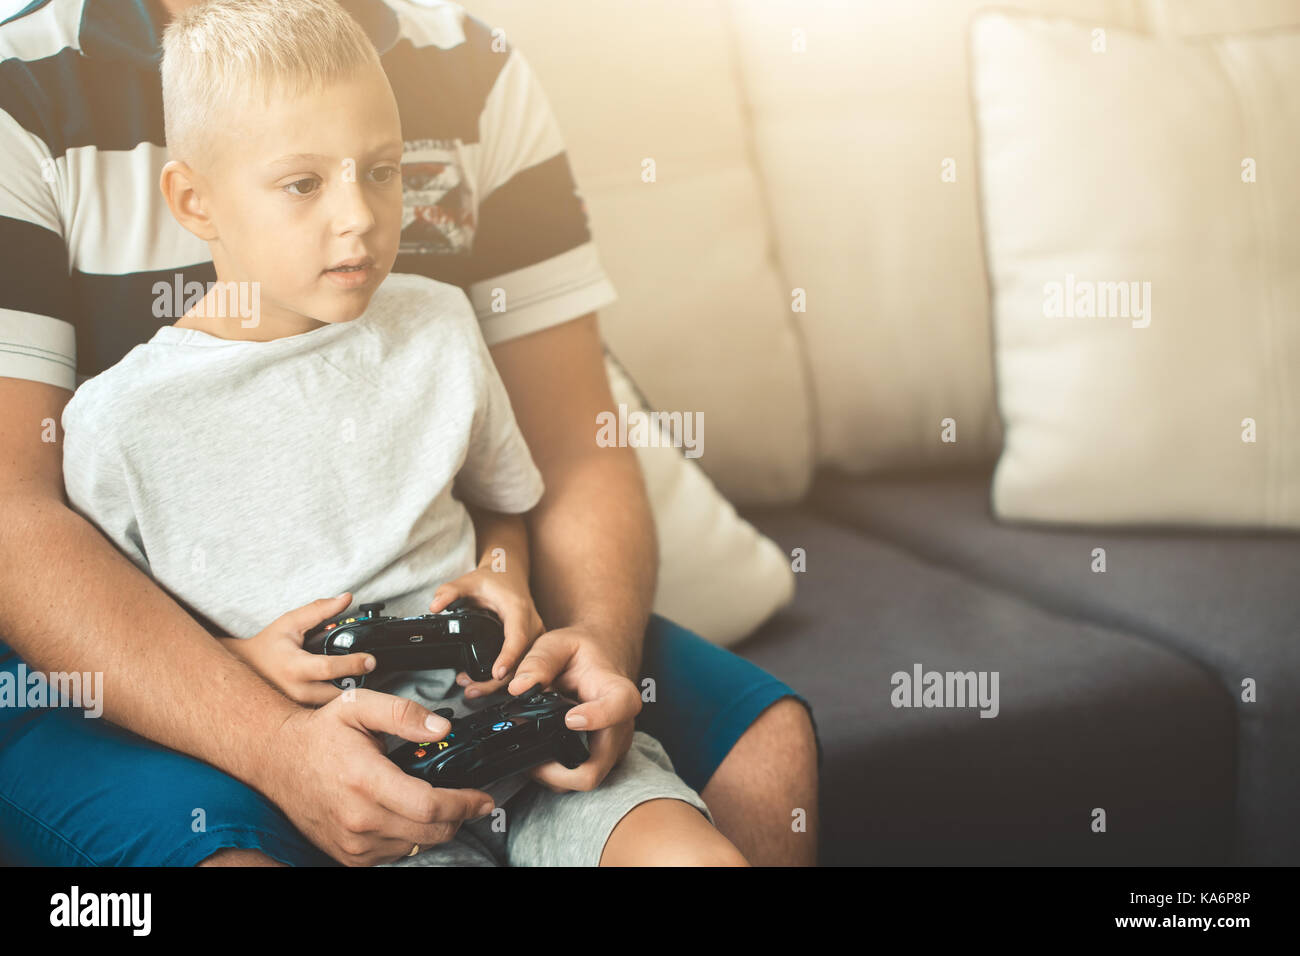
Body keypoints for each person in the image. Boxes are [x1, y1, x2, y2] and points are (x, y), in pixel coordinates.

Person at [0, 0, 820, 866]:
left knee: (764, 754)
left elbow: (566, 450)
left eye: (383, 172)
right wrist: (270, 733)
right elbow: (20, 521)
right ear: (193, 198)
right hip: (145, 658)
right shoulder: (23, 88)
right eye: (304, 183)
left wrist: (584, 643)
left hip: (467, 668)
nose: (356, 218)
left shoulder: (472, 70)